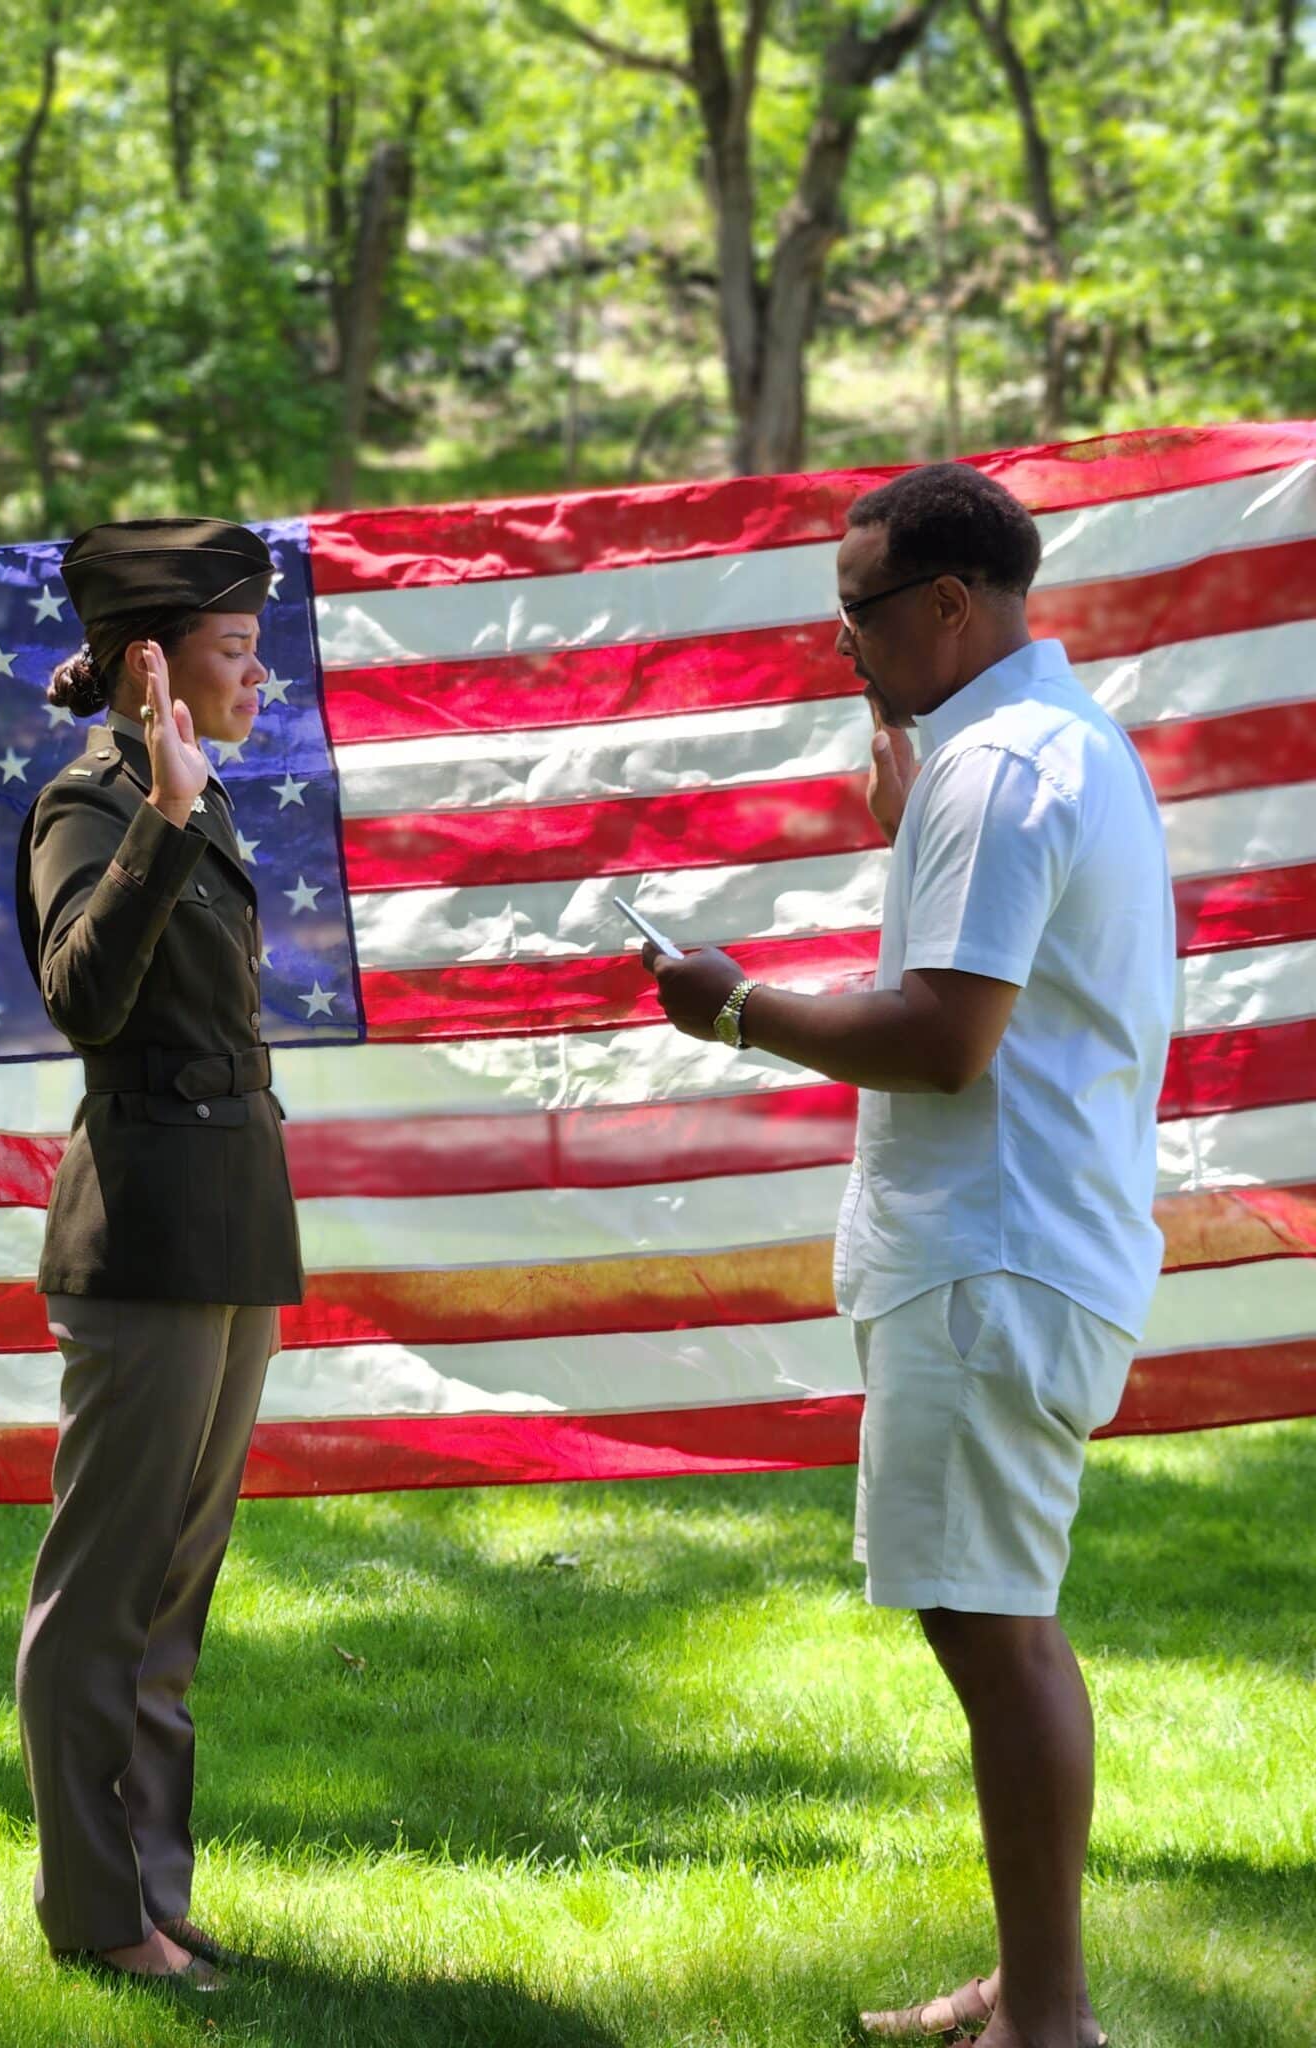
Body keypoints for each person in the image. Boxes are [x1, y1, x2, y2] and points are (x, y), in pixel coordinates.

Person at [643, 464, 1172, 2048]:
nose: (843, 644)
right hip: (1024, 1241)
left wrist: (732, 1005)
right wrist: (910, 824)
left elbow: (946, 1039)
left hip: (993, 1253)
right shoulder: (1043, 748)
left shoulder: (1003, 768)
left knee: (989, 1628)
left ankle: (1050, 2021)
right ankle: (1032, 1987)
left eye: (859, 612)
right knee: (994, 1614)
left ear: (951, 605)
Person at [13, 518, 304, 1988]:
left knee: (175, 1590)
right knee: (109, 1586)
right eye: (236, 649)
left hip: (226, 1214)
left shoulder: (178, 790)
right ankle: (95, 1912)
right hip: (144, 1233)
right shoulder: (95, 801)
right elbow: (82, 996)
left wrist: (183, 808)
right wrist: (163, 820)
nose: (261, 673)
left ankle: (149, 1898)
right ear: (152, 659)